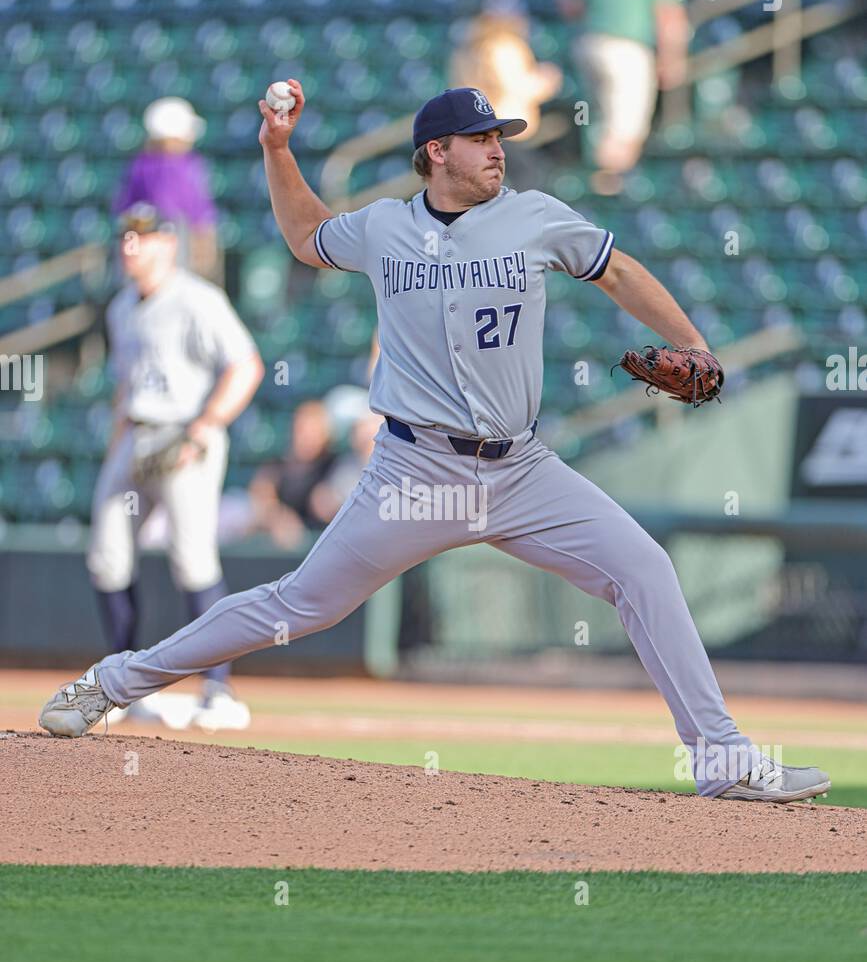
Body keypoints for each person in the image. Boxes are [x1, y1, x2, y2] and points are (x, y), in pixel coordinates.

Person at [39, 87, 830, 805]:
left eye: (499, 137)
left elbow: (616, 272)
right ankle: (109, 684)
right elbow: (308, 235)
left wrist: (693, 342)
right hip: (415, 473)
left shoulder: (534, 215)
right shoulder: (385, 227)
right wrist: (277, 149)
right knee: (299, 605)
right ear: (435, 154)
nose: (497, 148)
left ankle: (720, 758)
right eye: (480, 137)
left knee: (643, 570)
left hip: (521, 469)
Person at [85, 201, 264, 731]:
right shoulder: (121, 307)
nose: (130, 247)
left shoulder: (196, 299)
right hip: (137, 434)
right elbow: (125, 386)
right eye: (125, 238)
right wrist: (116, 448)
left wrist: (205, 426)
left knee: (193, 561)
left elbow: (247, 365)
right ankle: (122, 685)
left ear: (167, 243)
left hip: (186, 434)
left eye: (142, 237)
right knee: (107, 558)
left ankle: (220, 690)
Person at [559, 0, 690, 194]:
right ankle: (607, 187)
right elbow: (668, 15)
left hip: (589, 44)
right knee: (626, 121)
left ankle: (593, 178)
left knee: (598, 115)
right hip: (626, 49)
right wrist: (672, 59)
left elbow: (571, 4)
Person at [449, 0, 562, 190]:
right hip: (505, 124)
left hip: (478, 125)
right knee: (528, 179)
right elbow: (518, 88)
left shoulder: (467, 48)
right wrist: (547, 80)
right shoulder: (504, 46)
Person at [113, 98, 219, 278]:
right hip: (172, 249)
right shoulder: (184, 166)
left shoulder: (140, 164)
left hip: (151, 251)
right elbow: (197, 218)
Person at [247, 399, 336, 550]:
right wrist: (278, 517)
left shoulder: (335, 464)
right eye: (301, 429)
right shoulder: (276, 465)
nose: (305, 436)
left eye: (312, 430)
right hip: (283, 546)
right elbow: (261, 493)